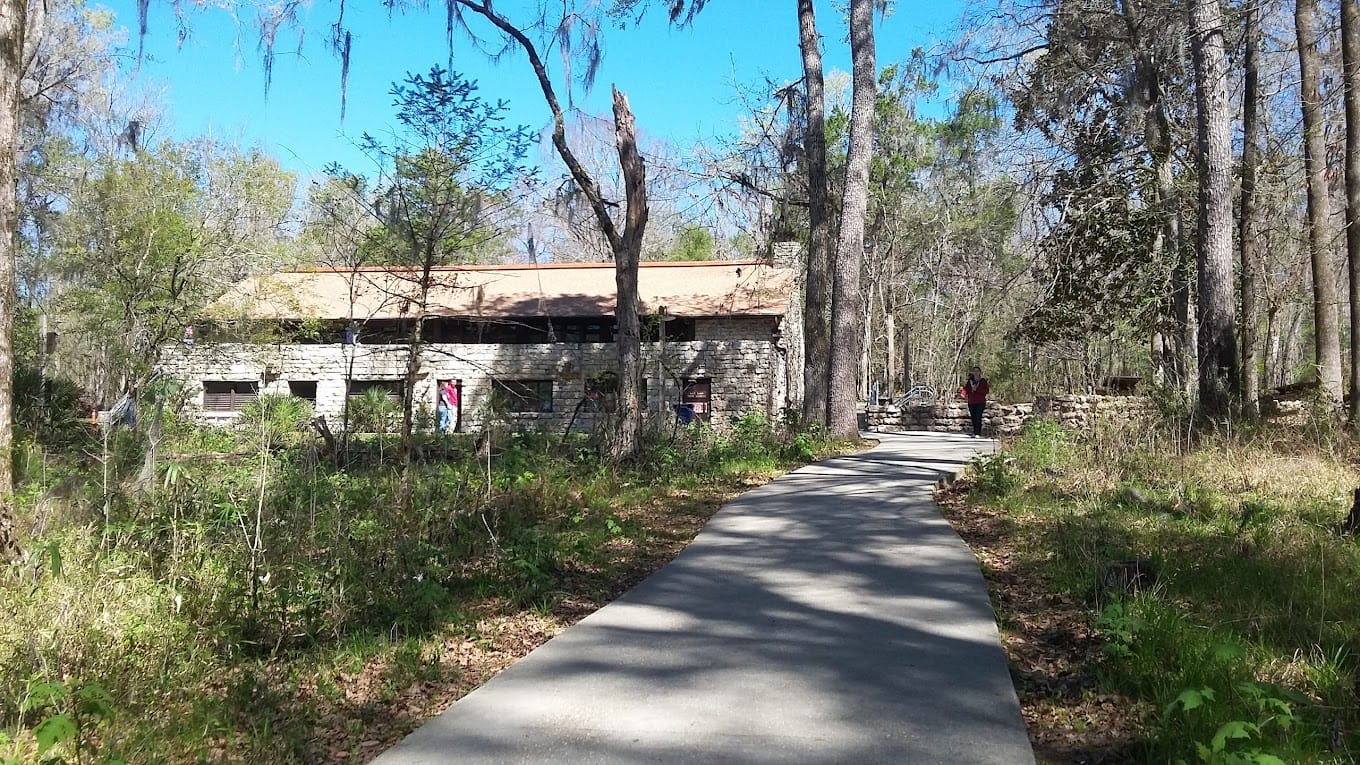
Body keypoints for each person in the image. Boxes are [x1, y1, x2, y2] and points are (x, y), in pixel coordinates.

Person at [959, 366, 990, 438]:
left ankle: (978, 433)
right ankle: (974, 431)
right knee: (973, 417)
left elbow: (986, 391)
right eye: (974, 371)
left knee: (978, 417)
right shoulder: (970, 382)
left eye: (977, 371)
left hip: (980, 402)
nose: (976, 373)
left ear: (980, 372)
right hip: (971, 402)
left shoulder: (982, 381)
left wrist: (977, 390)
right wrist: (963, 394)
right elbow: (965, 389)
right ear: (973, 373)